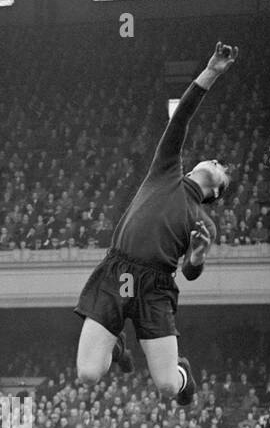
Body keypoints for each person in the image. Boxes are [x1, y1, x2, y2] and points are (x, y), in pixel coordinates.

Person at [74, 41, 239, 406]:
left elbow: (191, 273)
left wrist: (196, 257)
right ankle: (116, 349)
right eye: (214, 160)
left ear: (217, 192)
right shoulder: (166, 170)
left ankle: (185, 373)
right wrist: (211, 71)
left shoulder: (204, 225)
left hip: (155, 288)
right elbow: (181, 118)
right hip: (119, 272)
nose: (217, 161)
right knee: (87, 375)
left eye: (222, 170)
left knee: (166, 386)